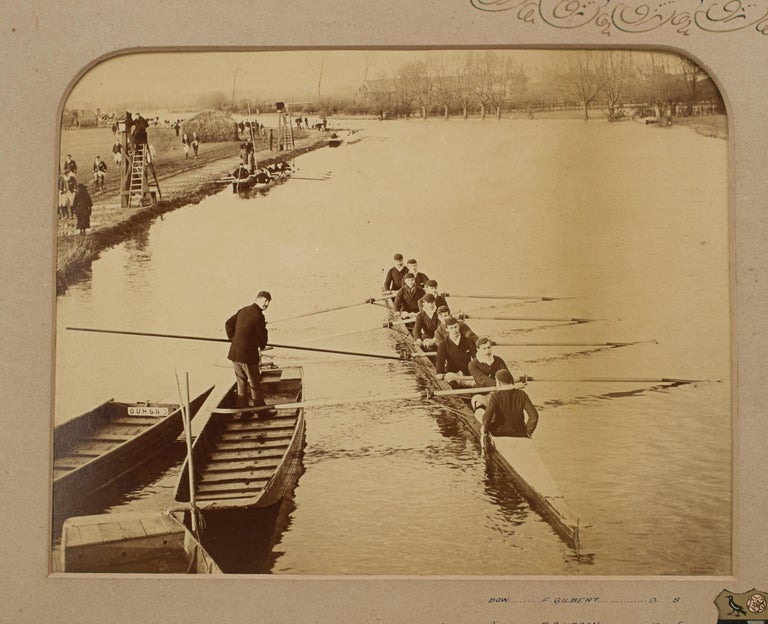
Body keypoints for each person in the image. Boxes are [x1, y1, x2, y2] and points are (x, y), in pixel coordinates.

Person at [225, 291, 276, 415]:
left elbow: (228, 324)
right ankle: (261, 412)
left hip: (235, 354)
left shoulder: (242, 310)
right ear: (258, 299)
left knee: (241, 383)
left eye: (268, 302)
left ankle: (245, 413)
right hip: (248, 356)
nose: (267, 304)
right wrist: (262, 345)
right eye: (265, 301)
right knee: (255, 384)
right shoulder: (259, 316)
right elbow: (262, 336)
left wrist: (234, 339)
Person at [478, 369, 539, 455]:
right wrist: (527, 432)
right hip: (519, 432)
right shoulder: (522, 394)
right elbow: (534, 417)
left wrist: (484, 430)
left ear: (498, 382)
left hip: (499, 433)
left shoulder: (496, 396)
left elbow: (486, 420)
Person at [469, 337, 511, 410]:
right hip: (482, 393)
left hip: (499, 392)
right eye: (484, 349)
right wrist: (498, 384)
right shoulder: (473, 364)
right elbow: (481, 378)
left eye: (489, 347)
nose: (487, 351)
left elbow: (508, 376)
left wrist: (508, 384)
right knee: (477, 401)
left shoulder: (499, 360)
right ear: (478, 349)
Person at [435, 316, 476, 381]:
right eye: (451, 328)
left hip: (467, 373)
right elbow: (440, 361)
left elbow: (476, 358)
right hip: (451, 374)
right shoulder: (443, 345)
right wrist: (439, 373)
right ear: (447, 329)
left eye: (455, 327)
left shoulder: (469, 341)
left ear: (459, 326)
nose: (454, 330)